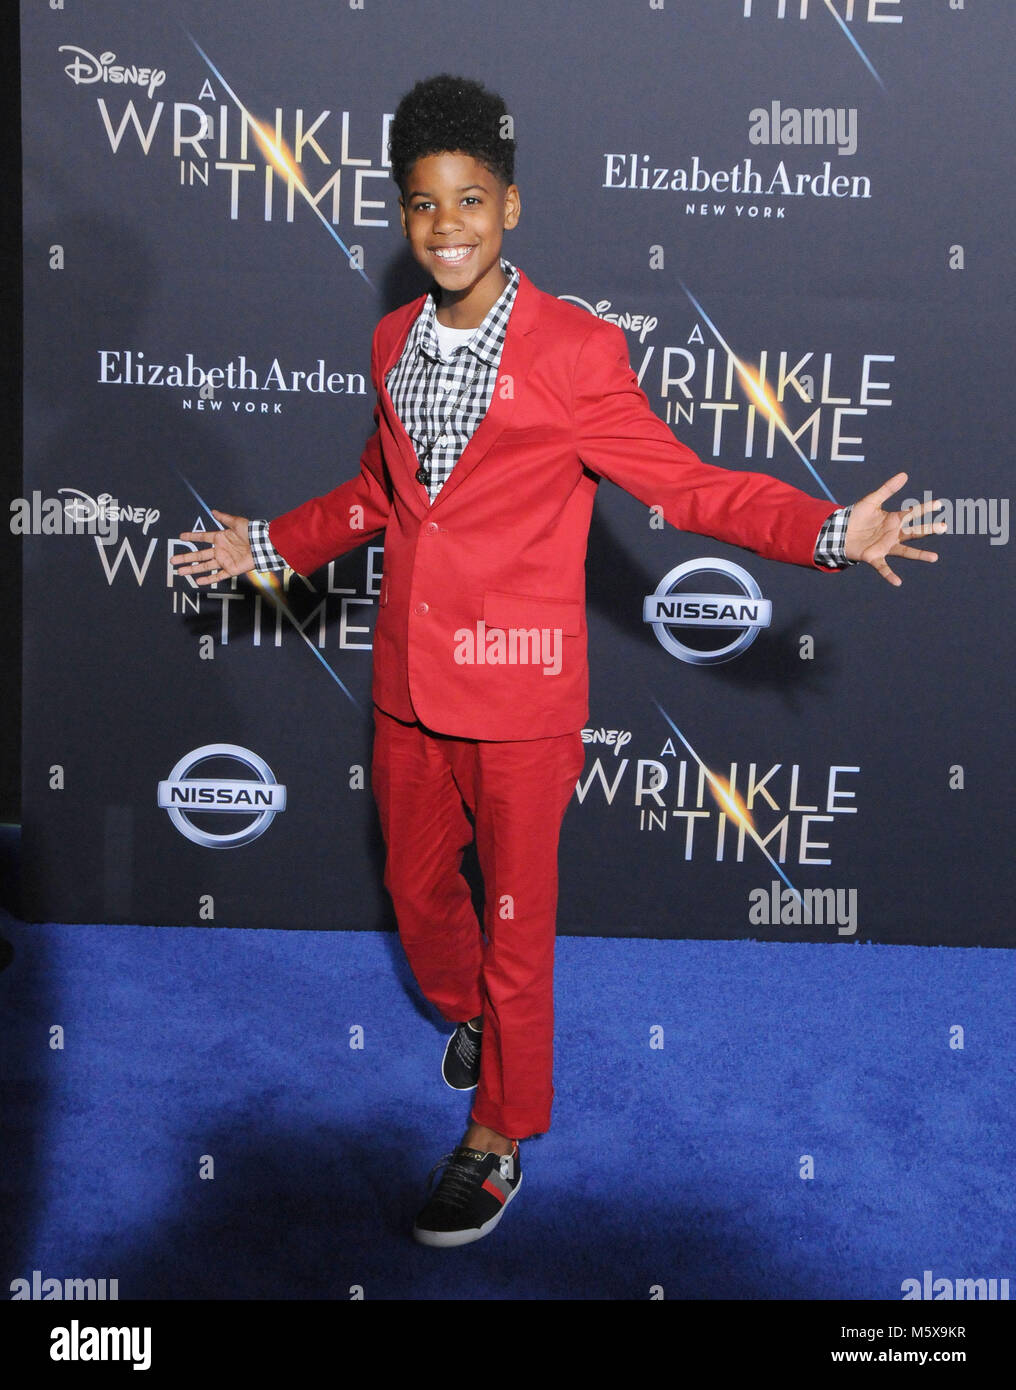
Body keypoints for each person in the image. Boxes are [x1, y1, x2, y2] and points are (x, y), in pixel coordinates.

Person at [172, 75, 944, 1248]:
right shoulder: (391, 340)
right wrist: (267, 542)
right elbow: (382, 494)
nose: (448, 226)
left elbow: (687, 484)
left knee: (517, 925)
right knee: (418, 895)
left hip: (522, 692)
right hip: (406, 689)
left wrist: (831, 530)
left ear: (511, 207)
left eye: (470, 199)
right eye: (424, 204)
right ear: (400, 216)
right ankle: (470, 1011)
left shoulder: (577, 350)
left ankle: (497, 1135)